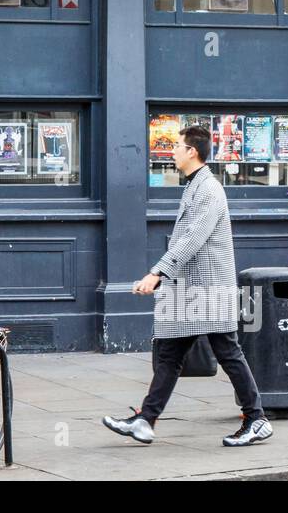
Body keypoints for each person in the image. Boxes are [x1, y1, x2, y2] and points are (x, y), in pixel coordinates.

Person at [102, 125, 274, 448]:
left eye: (178, 146)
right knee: (170, 353)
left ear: (192, 151)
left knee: (227, 350)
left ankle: (257, 418)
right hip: (192, 290)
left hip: (207, 289)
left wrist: (157, 273)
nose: (173, 152)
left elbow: (193, 238)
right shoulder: (196, 185)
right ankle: (145, 420)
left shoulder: (209, 189)